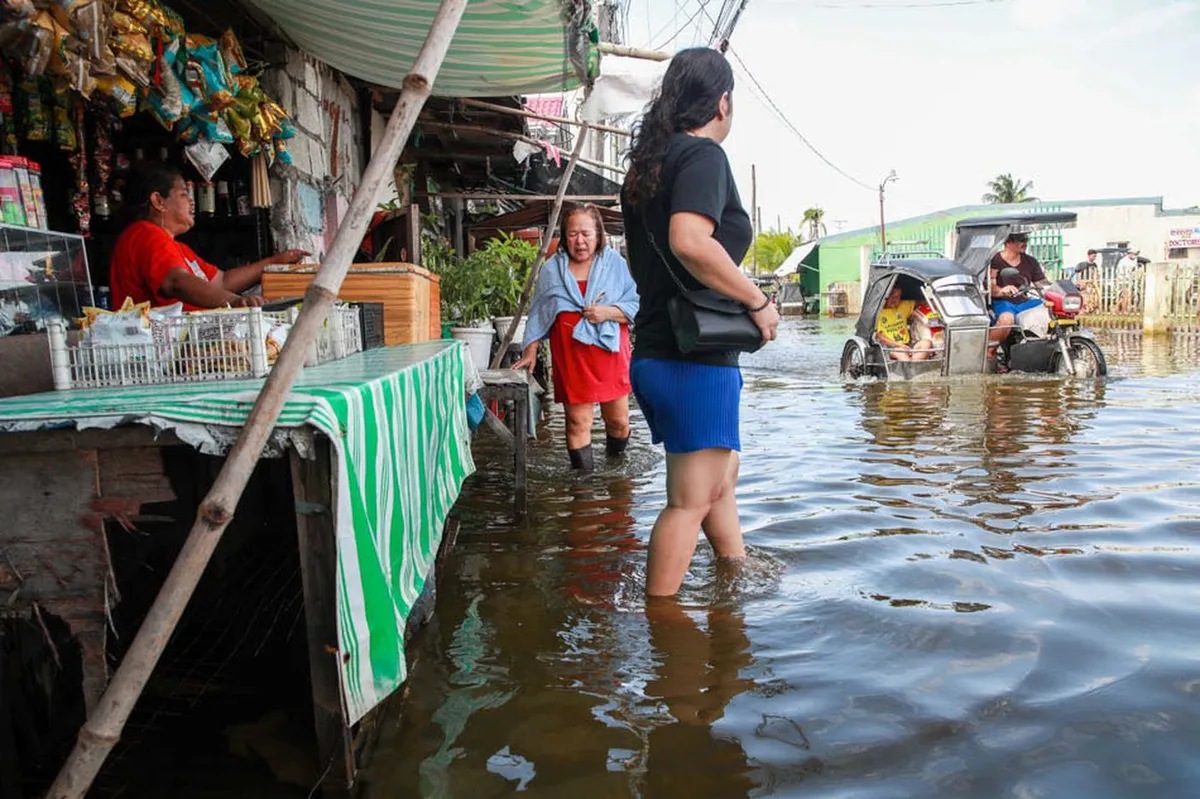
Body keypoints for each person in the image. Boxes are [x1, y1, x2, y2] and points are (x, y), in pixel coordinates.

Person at [620, 47, 780, 597]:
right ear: (722, 102)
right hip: (691, 360)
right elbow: (689, 243)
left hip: (658, 355)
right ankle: (664, 630)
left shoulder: (648, 170)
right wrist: (758, 302)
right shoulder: (702, 156)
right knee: (688, 501)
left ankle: (734, 572)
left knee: (719, 483)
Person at [513, 204, 639, 472]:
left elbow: (636, 304)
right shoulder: (552, 270)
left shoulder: (615, 264)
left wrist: (608, 312)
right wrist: (530, 350)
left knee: (618, 422)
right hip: (571, 354)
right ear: (564, 235)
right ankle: (583, 488)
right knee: (577, 422)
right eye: (572, 234)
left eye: (586, 233)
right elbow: (539, 311)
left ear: (598, 235)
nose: (579, 241)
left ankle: (616, 470)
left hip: (610, 352)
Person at [109, 161, 307, 310]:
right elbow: (176, 282)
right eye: (184, 194)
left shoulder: (178, 248)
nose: (192, 202)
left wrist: (275, 262)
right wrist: (233, 301)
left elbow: (220, 282)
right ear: (158, 201)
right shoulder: (145, 233)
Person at [987, 231, 1048, 347]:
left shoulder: (1031, 261)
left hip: (1025, 302)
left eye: (1026, 239)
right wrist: (1002, 290)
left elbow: (1041, 284)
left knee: (1050, 309)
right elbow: (991, 286)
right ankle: (989, 352)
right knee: (1007, 319)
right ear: (1007, 242)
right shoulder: (995, 260)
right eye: (1020, 239)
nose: (1025, 243)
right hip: (1003, 303)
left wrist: (1060, 288)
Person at [876, 286, 934, 361]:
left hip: (907, 344)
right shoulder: (878, 313)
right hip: (891, 347)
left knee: (927, 343)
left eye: (898, 297)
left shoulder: (903, 305)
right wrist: (900, 346)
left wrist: (934, 302)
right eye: (892, 296)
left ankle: (912, 364)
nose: (895, 299)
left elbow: (921, 302)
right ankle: (912, 364)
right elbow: (879, 337)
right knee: (902, 355)